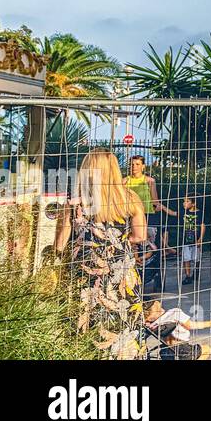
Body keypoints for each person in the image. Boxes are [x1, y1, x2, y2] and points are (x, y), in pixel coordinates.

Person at [55, 148, 149, 359]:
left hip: (86, 276)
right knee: (125, 322)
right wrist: (116, 245)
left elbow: (60, 244)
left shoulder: (75, 201)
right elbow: (140, 236)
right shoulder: (130, 198)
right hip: (122, 274)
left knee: (87, 326)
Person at [124, 155, 175, 292]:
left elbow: (155, 200)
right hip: (129, 217)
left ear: (143, 166)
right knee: (133, 247)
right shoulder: (124, 181)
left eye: (137, 164)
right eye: (132, 164)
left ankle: (155, 276)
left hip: (148, 216)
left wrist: (161, 208)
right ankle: (133, 278)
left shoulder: (149, 181)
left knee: (151, 247)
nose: (134, 167)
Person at [143, 300, 211, 360]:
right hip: (183, 349)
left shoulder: (151, 325)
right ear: (158, 304)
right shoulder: (174, 313)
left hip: (166, 352)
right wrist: (209, 323)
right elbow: (190, 325)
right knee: (207, 349)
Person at [177, 195, 204, 286]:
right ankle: (188, 276)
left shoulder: (200, 213)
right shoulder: (183, 212)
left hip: (196, 239)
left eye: (187, 201)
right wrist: (162, 207)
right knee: (186, 258)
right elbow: (173, 213)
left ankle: (196, 272)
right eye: (184, 201)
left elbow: (203, 226)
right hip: (185, 240)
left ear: (194, 203)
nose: (184, 203)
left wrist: (200, 239)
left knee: (196, 258)